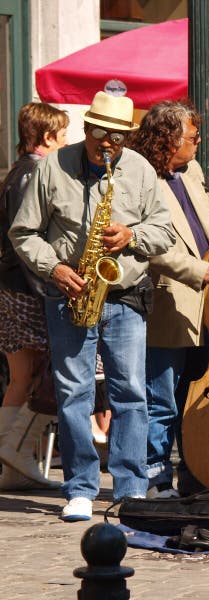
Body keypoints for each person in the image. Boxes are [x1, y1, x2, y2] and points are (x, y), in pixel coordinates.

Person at [9, 91, 175, 521]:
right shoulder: (51, 168)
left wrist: (131, 237)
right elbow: (23, 232)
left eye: (119, 136)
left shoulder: (138, 169)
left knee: (131, 394)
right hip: (69, 294)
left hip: (124, 296)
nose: (110, 143)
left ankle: (131, 487)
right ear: (87, 128)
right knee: (73, 394)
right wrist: (54, 269)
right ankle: (81, 486)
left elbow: (165, 231)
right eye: (103, 133)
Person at [126, 100, 209, 499]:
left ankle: (196, 472)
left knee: (195, 400)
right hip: (168, 302)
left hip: (206, 304)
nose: (198, 144)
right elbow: (147, 246)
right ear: (167, 139)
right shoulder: (137, 175)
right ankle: (156, 477)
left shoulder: (193, 169)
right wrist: (201, 271)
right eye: (193, 138)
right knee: (161, 399)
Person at [0, 102, 69, 490]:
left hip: (14, 286)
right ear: (46, 137)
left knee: (23, 377)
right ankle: (17, 453)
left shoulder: (19, 171)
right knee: (44, 376)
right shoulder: (35, 172)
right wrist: (50, 289)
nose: (67, 141)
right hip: (29, 288)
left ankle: (13, 465)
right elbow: (26, 240)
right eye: (62, 135)